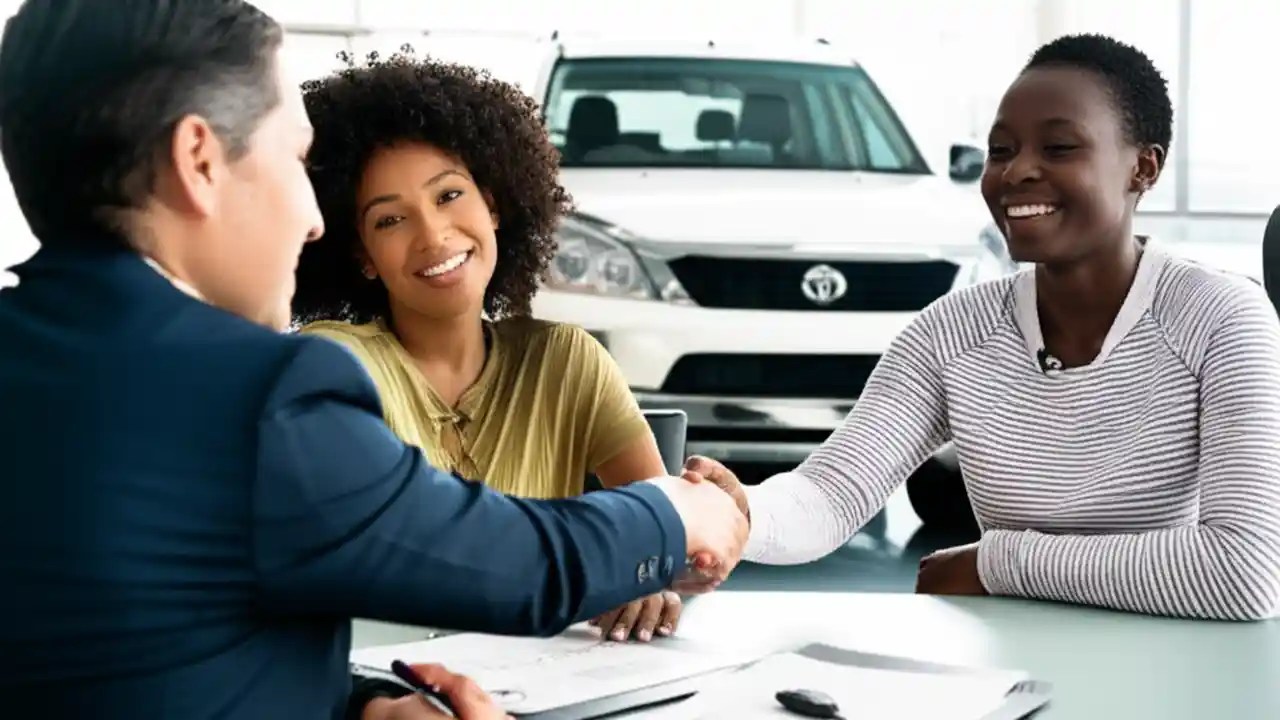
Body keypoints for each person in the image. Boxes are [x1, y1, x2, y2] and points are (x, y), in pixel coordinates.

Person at [0, 2, 747, 719]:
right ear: (199, 161)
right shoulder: (259, 395)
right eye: (296, 158)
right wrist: (679, 513)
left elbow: (138, 648)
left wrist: (364, 705)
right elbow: (521, 566)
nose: (312, 219)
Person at [686, 33, 1280, 622]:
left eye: (1059, 148)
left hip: (1180, 660)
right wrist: (740, 512)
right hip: (1017, 662)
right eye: (1001, 151)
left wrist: (994, 564)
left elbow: (1245, 570)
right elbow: (829, 497)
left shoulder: (1223, 319)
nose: (1016, 172)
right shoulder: (952, 332)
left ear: (1143, 168)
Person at [291, 53, 677, 642]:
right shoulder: (335, 364)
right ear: (363, 256)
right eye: (390, 220)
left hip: (547, 677)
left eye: (448, 195)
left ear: (493, 206)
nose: (433, 235)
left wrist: (649, 580)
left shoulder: (566, 362)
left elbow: (663, 534)